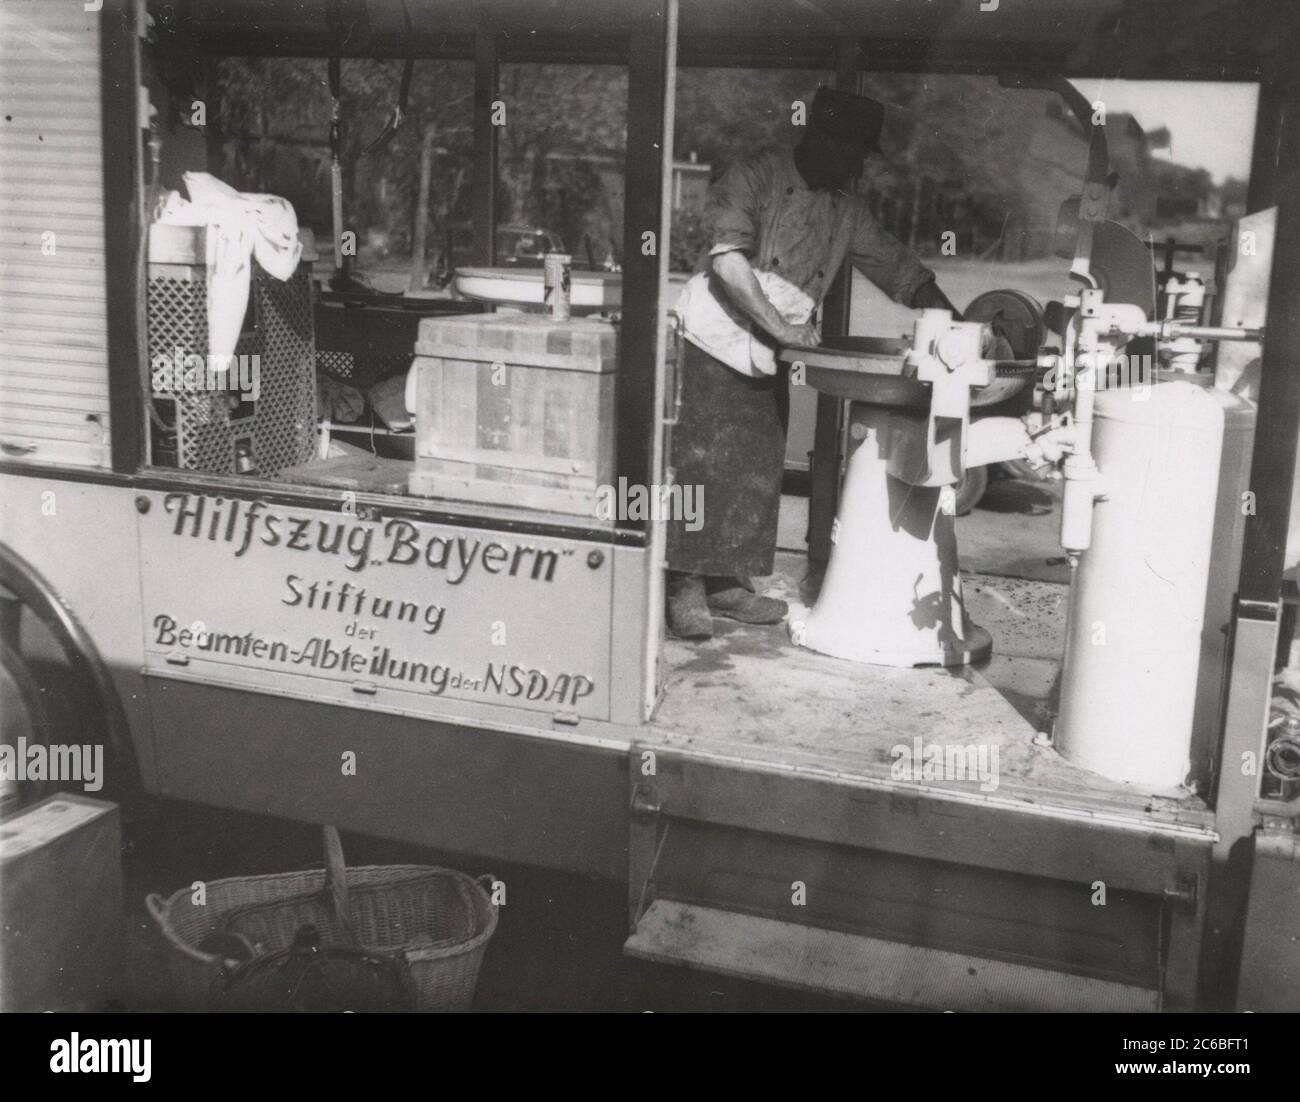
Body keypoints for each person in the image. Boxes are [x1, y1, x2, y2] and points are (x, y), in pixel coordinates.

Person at [666, 85, 968, 640]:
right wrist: (783, 328)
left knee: (755, 467)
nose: (858, 165)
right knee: (702, 466)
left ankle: (727, 584)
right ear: (823, 138)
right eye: (854, 152)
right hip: (710, 338)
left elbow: (901, 270)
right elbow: (730, 263)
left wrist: (960, 328)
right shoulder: (754, 176)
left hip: (767, 352)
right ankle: (682, 584)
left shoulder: (845, 209)